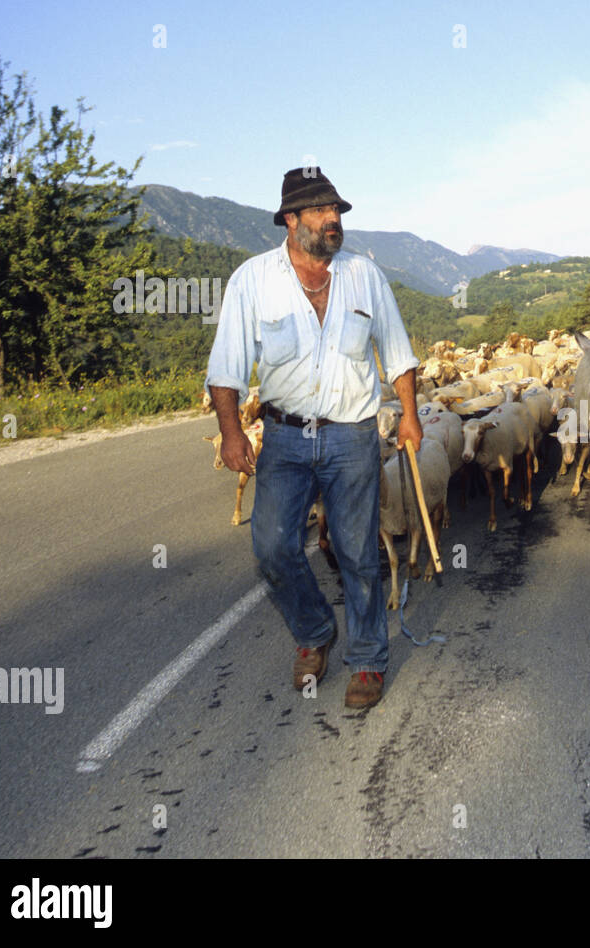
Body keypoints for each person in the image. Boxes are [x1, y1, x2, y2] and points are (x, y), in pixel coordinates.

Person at [205, 168, 422, 710]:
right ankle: (315, 629)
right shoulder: (252, 280)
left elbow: (397, 351)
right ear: (291, 220)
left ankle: (369, 657)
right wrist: (231, 433)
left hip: (351, 435)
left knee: (357, 550)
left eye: (337, 212)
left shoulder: (364, 276)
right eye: (322, 212)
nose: (334, 220)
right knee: (273, 546)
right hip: (284, 437)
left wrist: (412, 415)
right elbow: (226, 368)